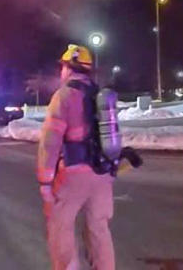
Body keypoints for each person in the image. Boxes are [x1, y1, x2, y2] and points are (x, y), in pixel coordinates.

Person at [38, 44, 115, 270]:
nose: (61, 72)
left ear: (69, 68)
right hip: (101, 174)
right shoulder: (100, 95)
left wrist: (45, 181)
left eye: (62, 67)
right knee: (99, 229)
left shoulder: (64, 96)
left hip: (73, 175)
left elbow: (50, 143)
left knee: (60, 226)